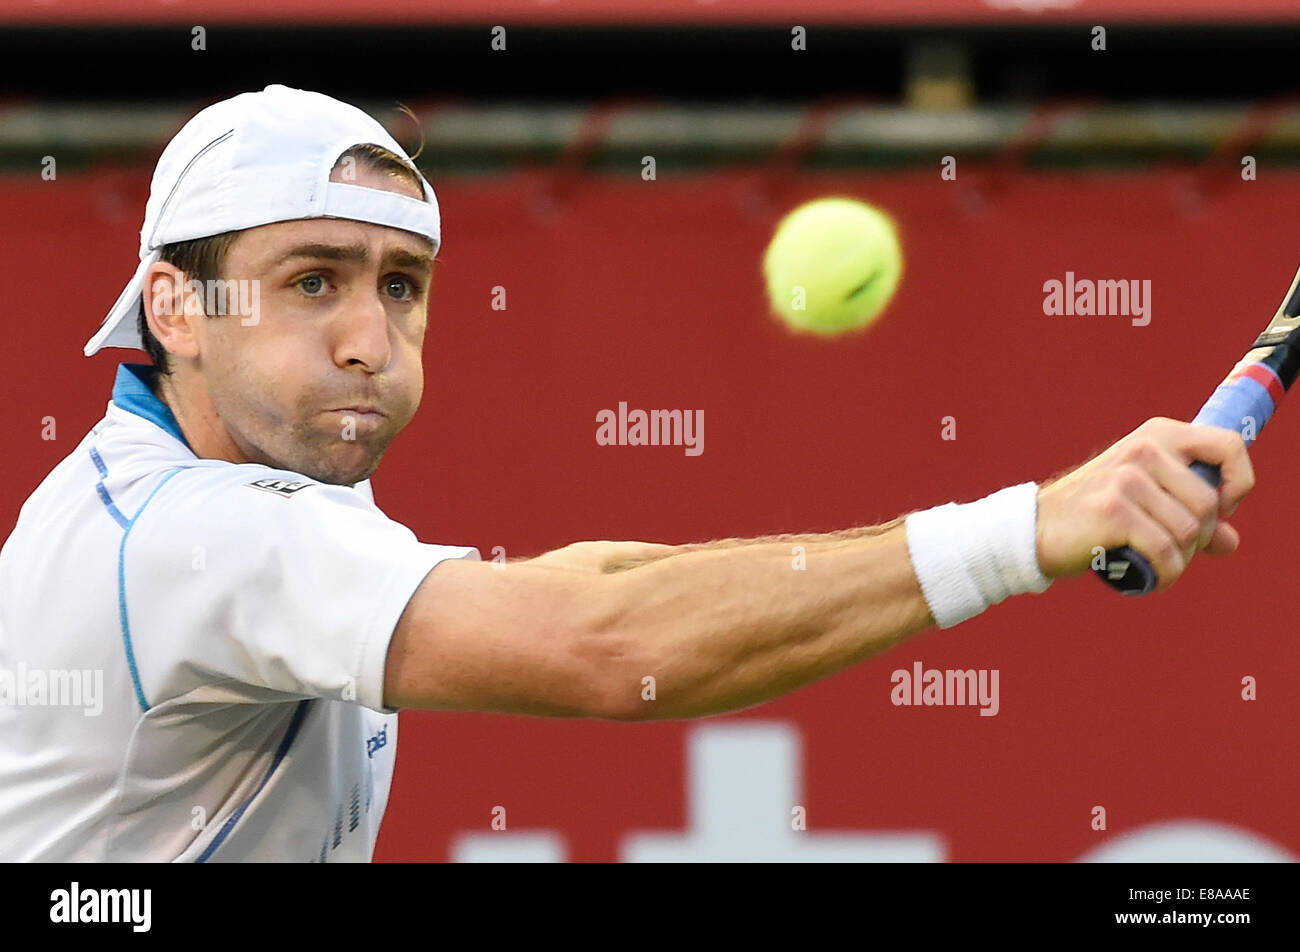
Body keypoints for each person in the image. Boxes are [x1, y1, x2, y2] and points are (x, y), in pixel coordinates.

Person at [0, 85, 1254, 862]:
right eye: (311, 280)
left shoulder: (225, 494)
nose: (368, 339)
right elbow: (601, 638)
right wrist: (1026, 528)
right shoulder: (190, 533)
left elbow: (607, 588)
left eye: (401, 286)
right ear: (176, 306)